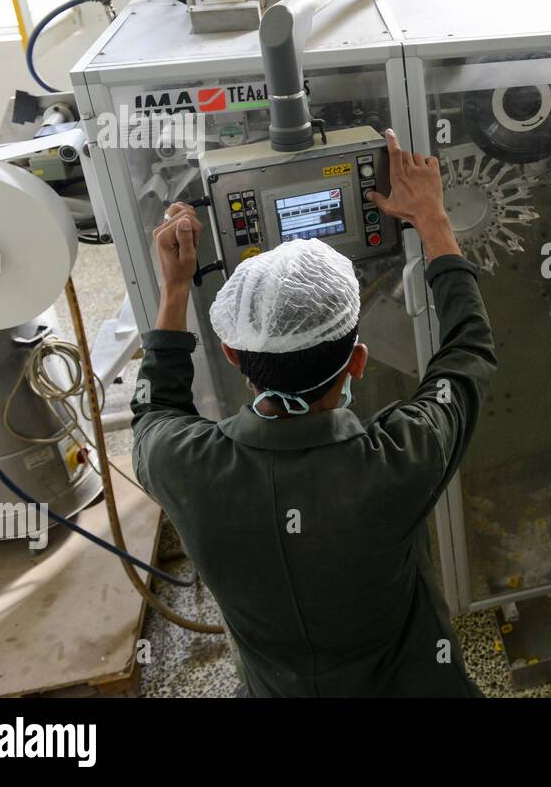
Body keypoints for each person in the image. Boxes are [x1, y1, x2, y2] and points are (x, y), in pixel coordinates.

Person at [131, 129, 496, 696]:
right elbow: (468, 352)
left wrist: (176, 288)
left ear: (232, 355)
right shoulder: (403, 457)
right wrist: (432, 219)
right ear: (358, 362)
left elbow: (156, 408)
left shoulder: (180, 465)